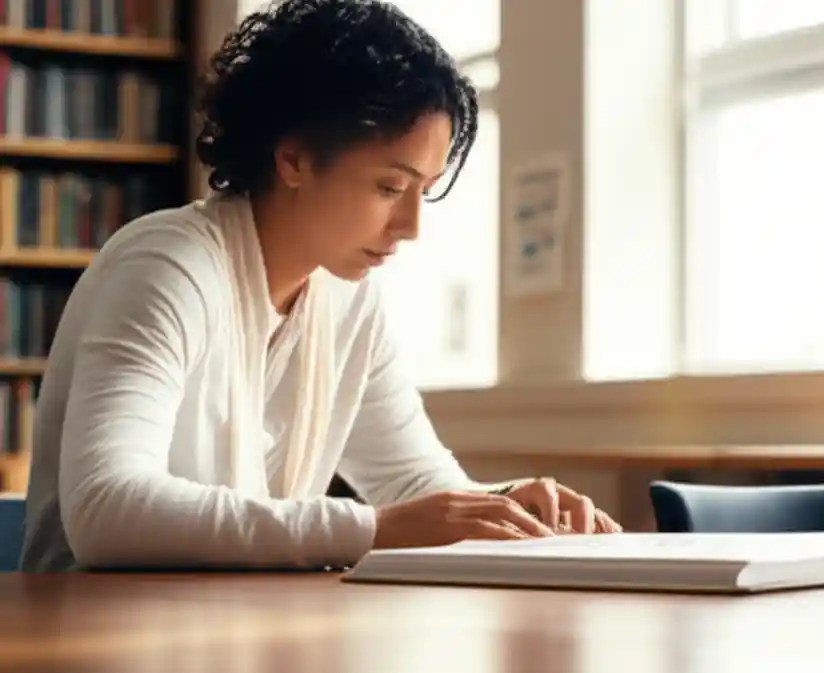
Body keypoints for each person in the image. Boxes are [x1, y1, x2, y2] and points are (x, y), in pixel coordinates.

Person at [19, 0, 620, 572]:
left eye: (423, 190)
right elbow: (106, 509)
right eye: (389, 188)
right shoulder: (168, 267)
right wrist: (372, 530)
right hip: (88, 640)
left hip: (233, 634)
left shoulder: (346, 297)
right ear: (295, 159)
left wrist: (510, 508)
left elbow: (414, 485)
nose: (410, 228)